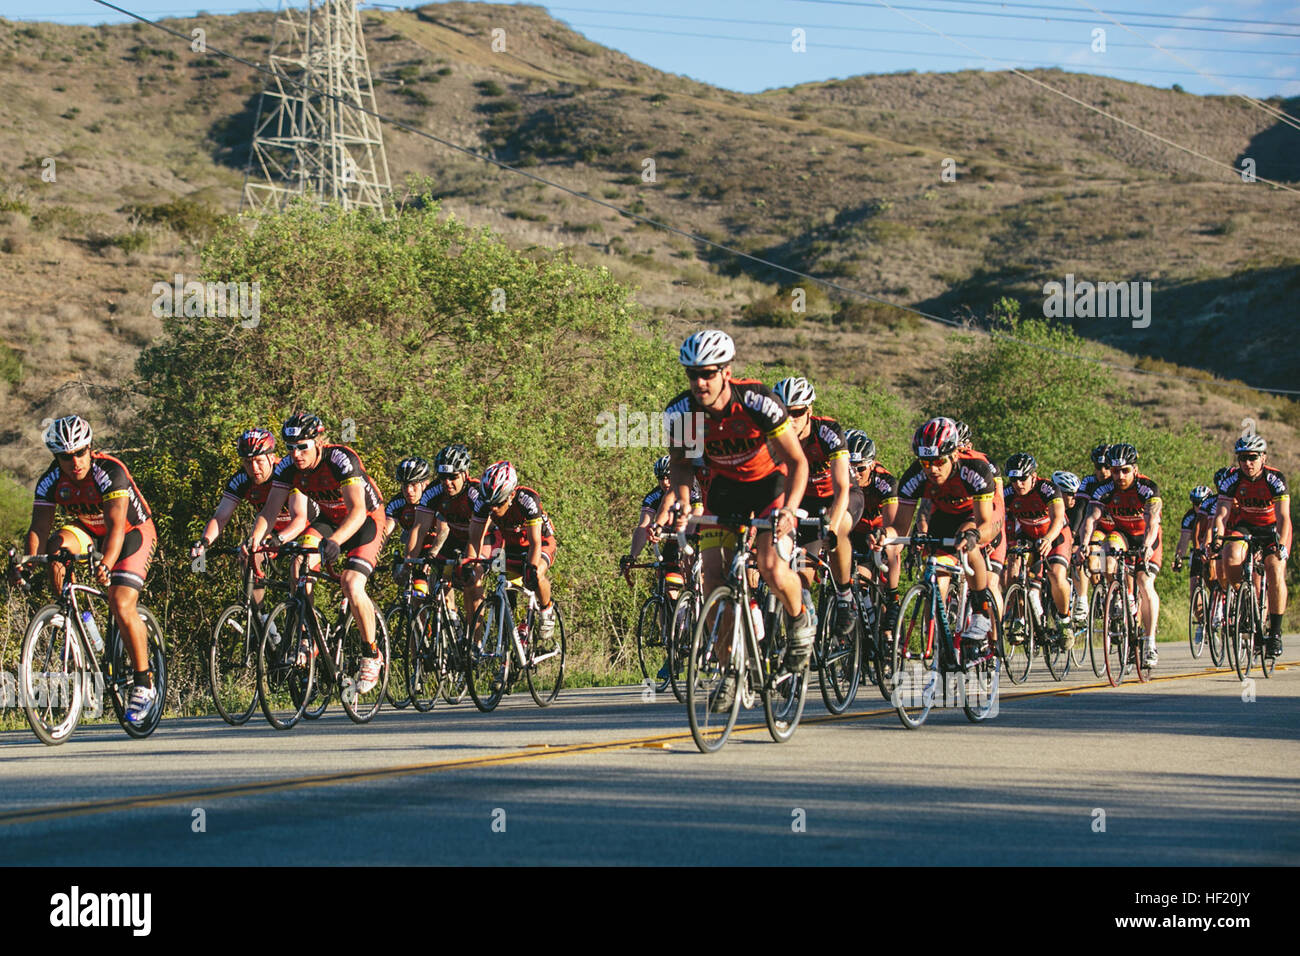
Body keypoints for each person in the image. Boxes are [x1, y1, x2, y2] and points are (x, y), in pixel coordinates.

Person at [664, 330, 812, 713]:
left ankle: (799, 621)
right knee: (712, 577)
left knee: (770, 567)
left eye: (708, 374)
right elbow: (680, 465)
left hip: (769, 486)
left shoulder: (758, 402)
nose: (699, 383)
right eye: (692, 374)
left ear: (726, 372)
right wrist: (683, 501)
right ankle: (730, 669)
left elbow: (797, 461)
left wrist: (790, 509)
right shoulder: (682, 413)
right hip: (724, 489)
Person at [21, 416, 160, 725]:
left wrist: (107, 564)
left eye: (80, 452)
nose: (74, 462)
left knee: (120, 602)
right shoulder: (50, 480)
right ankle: (75, 620)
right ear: (56, 457)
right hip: (88, 530)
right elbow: (39, 528)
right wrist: (28, 563)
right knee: (55, 549)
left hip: (131, 533)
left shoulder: (110, 472)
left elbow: (116, 528)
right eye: (65, 456)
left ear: (89, 448)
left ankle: (144, 681)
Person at [250, 412, 388, 693]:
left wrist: (335, 541)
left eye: (303, 447)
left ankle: (372, 653)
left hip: (365, 521)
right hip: (329, 520)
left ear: (319, 442)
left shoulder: (341, 459)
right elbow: (269, 510)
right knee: (299, 563)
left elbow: (357, 511)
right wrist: (255, 539)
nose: (296, 454)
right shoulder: (287, 467)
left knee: (351, 583)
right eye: (290, 448)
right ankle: (308, 634)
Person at [894, 417, 999, 663]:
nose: (932, 469)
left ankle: (981, 611)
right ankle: (940, 639)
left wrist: (974, 535)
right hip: (943, 515)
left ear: (953, 455)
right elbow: (899, 527)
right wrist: (882, 536)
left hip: (974, 514)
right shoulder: (914, 476)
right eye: (926, 462)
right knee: (936, 575)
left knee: (968, 541)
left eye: (939, 461)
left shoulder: (975, 469)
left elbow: (986, 521)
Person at [191, 427, 315, 623]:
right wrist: (204, 542)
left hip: (304, 528)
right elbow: (221, 517)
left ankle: (304, 628)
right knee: (249, 557)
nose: (254, 468)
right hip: (273, 530)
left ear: (271, 457)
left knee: (297, 567)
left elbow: (299, 518)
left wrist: (278, 539)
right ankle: (264, 623)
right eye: (248, 462)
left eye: (258, 461)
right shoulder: (241, 479)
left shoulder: (286, 473)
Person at [773, 376, 860, 640]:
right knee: (800, 577)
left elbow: (842, 487)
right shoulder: (776, 436)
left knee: (837, 531)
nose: (790, 420)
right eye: (784, 413)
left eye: (797, 413)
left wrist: (831, 527)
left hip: (839, 496)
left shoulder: (828, 432)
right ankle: (803, 632)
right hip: (805, 502)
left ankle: (844, 596)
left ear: (809, 411)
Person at [1074, 443, 1163, 666]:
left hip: (1146, 536)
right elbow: (1091, 519)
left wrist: (1147, 546)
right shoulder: (1104, 490)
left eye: (1125, 470)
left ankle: (1150, 642)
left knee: (1144, 582)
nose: (1120, 476)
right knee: (1107, 553)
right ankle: (1122, 597)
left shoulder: (1147, 488)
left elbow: (1153, 521)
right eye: (1115, 471)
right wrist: (1083, 544)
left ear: (1135, 469)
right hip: (1122, 533)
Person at [465, 461, 560, 645]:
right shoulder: (484, 502)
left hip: (540, 542)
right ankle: (509, 641)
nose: (493, 508)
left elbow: (535, 543)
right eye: (490, 503)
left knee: (534, 575)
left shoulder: (527, 500)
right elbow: (474, 540)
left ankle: (546, 609)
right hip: (510, 546)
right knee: (502, 589)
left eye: (498, 503)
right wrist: (471, 565)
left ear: (511, 495)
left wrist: (531, 569)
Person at [1212, 434, 1290, 656]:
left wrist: (1281, 544)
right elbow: (1221, 515)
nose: (1247, 463)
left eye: (1253, 457)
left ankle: (1275, 633)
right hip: (1246, 525)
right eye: (1243, 458)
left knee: (1274, 568)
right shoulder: (1232, 479)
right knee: (1229, 554)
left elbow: (1283, 517)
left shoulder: (1275, 479)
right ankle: (1245, 601)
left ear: (1263, 457)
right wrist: (1217, 538)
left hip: (1273, 528)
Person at [1004, 454, 1073, 646]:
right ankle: (1019, 619)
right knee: (1013, 572)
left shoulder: (1047, 489)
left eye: (1023, 478)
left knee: (1056, 574)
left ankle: (1064, 620)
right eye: (1013, 479)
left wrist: (1049, 539)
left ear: (1033, 476)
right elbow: (998, 518)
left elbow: (1058, 518)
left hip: (1055, 534)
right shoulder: (1008, 492)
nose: (1018, 484)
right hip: (1027, 536)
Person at [846, 431, 903, 632]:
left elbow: (893, 523)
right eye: (850, 467)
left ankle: (893, 600)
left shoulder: (885, 482)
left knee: (891, 549)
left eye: (860, 468)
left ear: (871, 465)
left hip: (881, 529)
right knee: (856, 577)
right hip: (856, 531)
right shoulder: (841, 478)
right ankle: (865, 618)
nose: (855, 473)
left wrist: (883, 536)